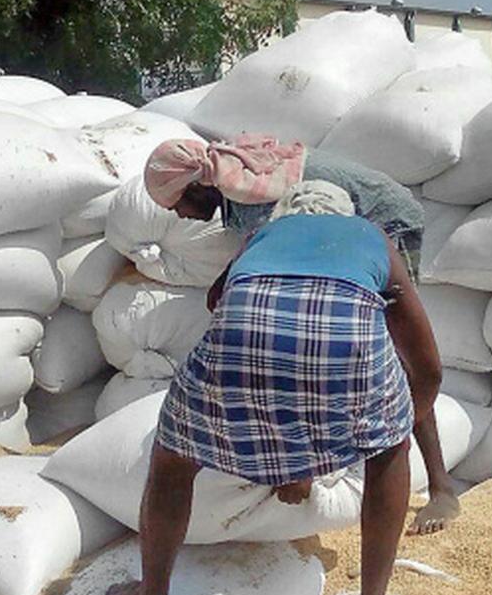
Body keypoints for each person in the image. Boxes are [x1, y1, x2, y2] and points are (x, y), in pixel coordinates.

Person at [106, 181, 442, 595]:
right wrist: (391, 432)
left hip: (245, 329)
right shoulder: (373, 237)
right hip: (345, 344)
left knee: (174, 454)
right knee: (389, 449)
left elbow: (217, 302)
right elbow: (428, 369)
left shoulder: (263, 233)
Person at [143, 134, 461, 535]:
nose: (181, 216)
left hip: (383, 220)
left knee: (394, 360)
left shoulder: (247, 195)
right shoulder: (239, 183)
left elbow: (293, 304)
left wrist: (300, 467)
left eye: (178, 205)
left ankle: (440, 485)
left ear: (194, 186)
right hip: (344, 224)